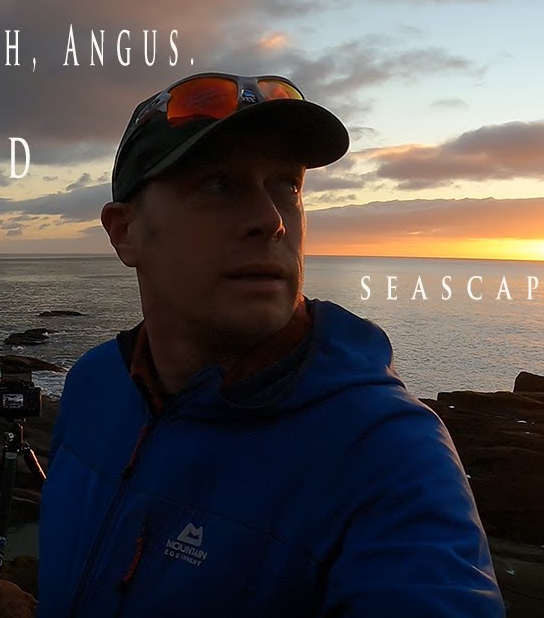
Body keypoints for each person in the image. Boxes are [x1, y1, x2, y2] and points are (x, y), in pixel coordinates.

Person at [37, 72, 505, 616]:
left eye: (287, 185)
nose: (269, 220)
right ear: (125, 233)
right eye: (219, 185)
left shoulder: (385, 452)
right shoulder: (95, 383)